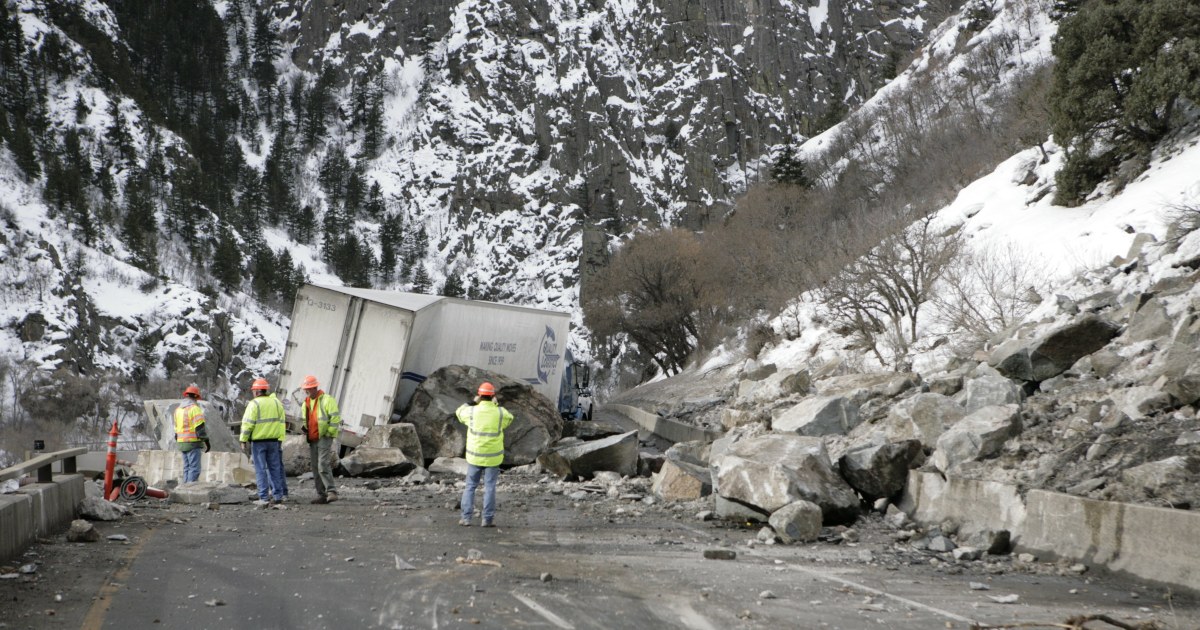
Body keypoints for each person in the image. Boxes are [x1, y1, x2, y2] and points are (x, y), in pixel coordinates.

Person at [455, 382, 514, 527]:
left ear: (479, 396)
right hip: (493, 458)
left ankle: (466, 518)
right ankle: (487, 520)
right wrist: (496, 405)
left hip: (475, 456)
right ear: (493, 396)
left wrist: (472, 402)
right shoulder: (499, 412)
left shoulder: (472, 411)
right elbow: (509, 419)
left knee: (470, 486)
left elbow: (459, 412)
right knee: (490, 487)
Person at [240, 377, 288, 505]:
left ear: (256, 392)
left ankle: (264, 497)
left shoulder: (254, 404)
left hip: (258, 442)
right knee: (274, 468)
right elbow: (281, 422)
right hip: (274, 441)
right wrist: (279, 439)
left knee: (260, 469)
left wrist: (243, 440)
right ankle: (278, 495)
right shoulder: (276, 403)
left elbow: (247, 424)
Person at [301, 375, 341, 504]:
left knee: (322, 464)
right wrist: (305, 428)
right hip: (312, 437)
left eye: (308, 388)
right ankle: (322, 494)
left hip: (324, 436)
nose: (306, 391)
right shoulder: (307, 402)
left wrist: (330, 432)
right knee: (315, 467)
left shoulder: (327, 400)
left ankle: (331, 491)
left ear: (314, 388)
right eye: (305, 389)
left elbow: (335, 418)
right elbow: (307, 420)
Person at [174, 384, 210, 483]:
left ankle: (184, 488)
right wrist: (206, 441)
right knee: (194, 468)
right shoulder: (194, 409)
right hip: (192, 443)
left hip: (181, 443)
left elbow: (176, 430)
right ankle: (190, 490)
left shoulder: (178, 410)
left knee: (186, 468)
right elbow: (200, 428)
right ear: (195, 397)